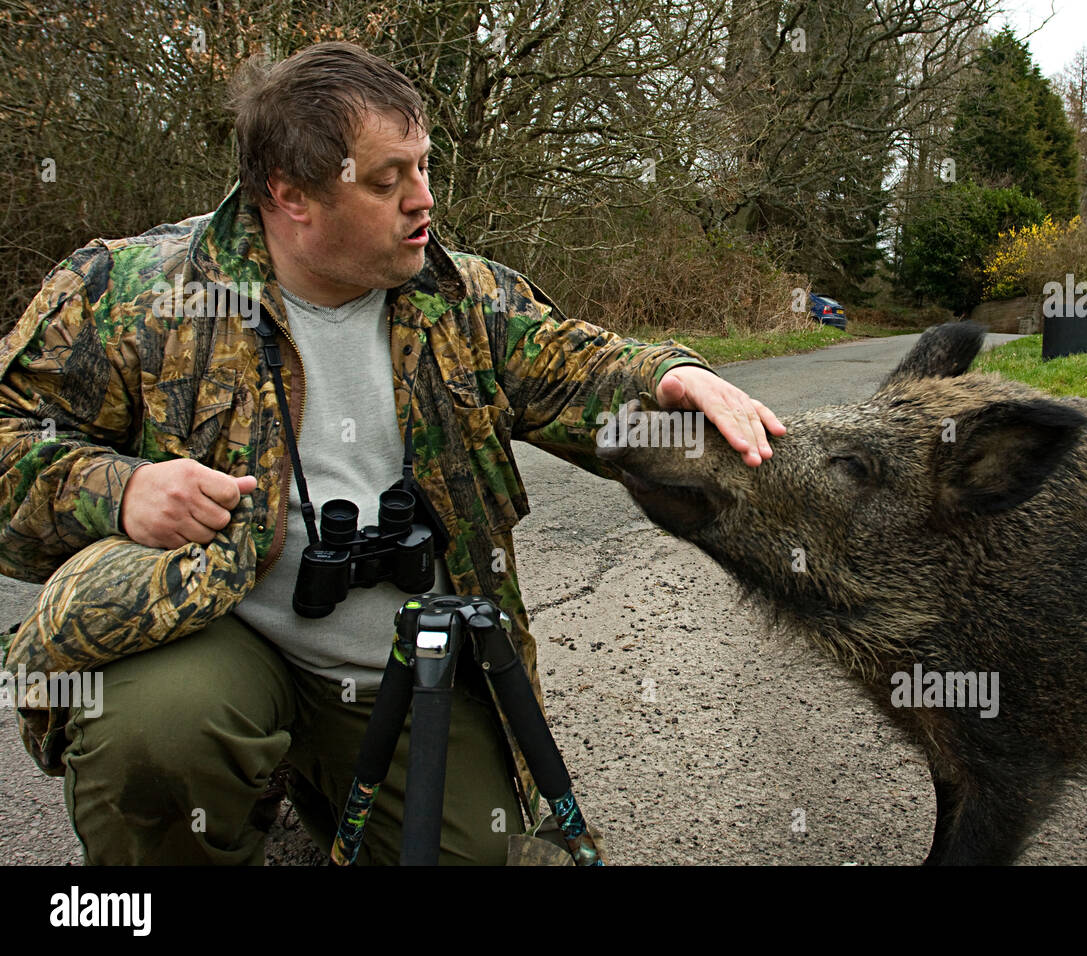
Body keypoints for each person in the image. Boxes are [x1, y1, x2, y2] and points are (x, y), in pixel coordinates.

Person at [0, 41, 784, 865]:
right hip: (219, 638)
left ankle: (320, 777)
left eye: (424, 166)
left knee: (464, 855)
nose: (424, 200)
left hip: (406, 665)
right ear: (289, 195)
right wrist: (117, 489)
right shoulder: (133, 291)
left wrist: (673, 375)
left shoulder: (462, 296)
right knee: (157, 739)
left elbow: (583, 368)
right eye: (387, 179)